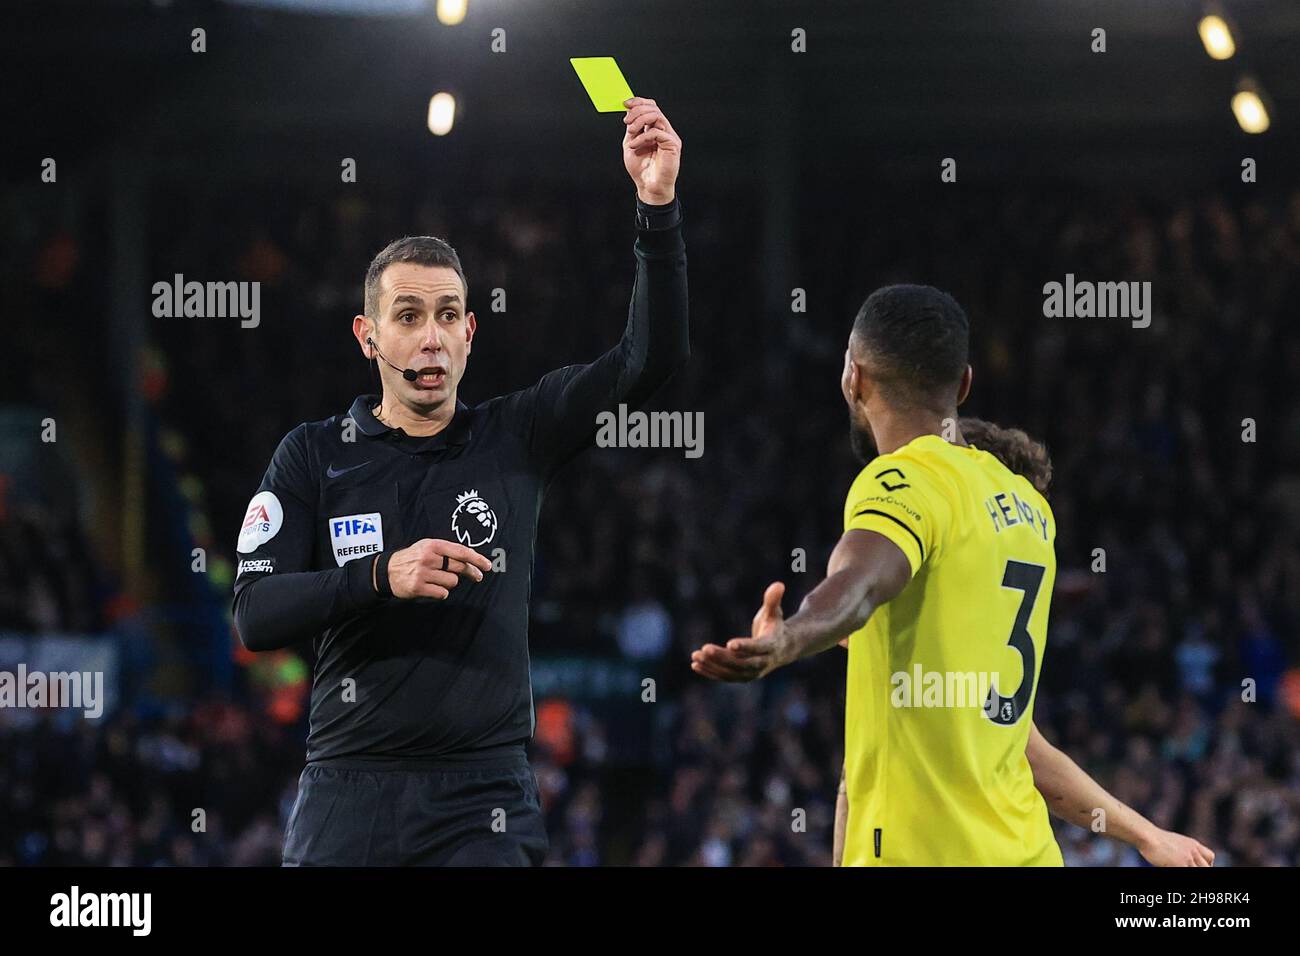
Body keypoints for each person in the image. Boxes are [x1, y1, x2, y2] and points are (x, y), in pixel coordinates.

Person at [232, 97, 686, 865]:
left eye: (448, 315)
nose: (431, 335)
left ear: (470, 334)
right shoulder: (313, 455)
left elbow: (649, 363)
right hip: (349, 793)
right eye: (407, 316)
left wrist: (657, 207)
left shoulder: (517, 434)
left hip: (482, 803)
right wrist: (380, 575)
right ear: (368, 336)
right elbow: (253, 614)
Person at [691, 285, 1213, 867]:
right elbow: (1016, 741)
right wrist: (1146, 834)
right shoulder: (1028, 507)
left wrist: (789, 638)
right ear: (963, 384)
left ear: (853, 378)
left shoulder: (902, 482)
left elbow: (859, 585)